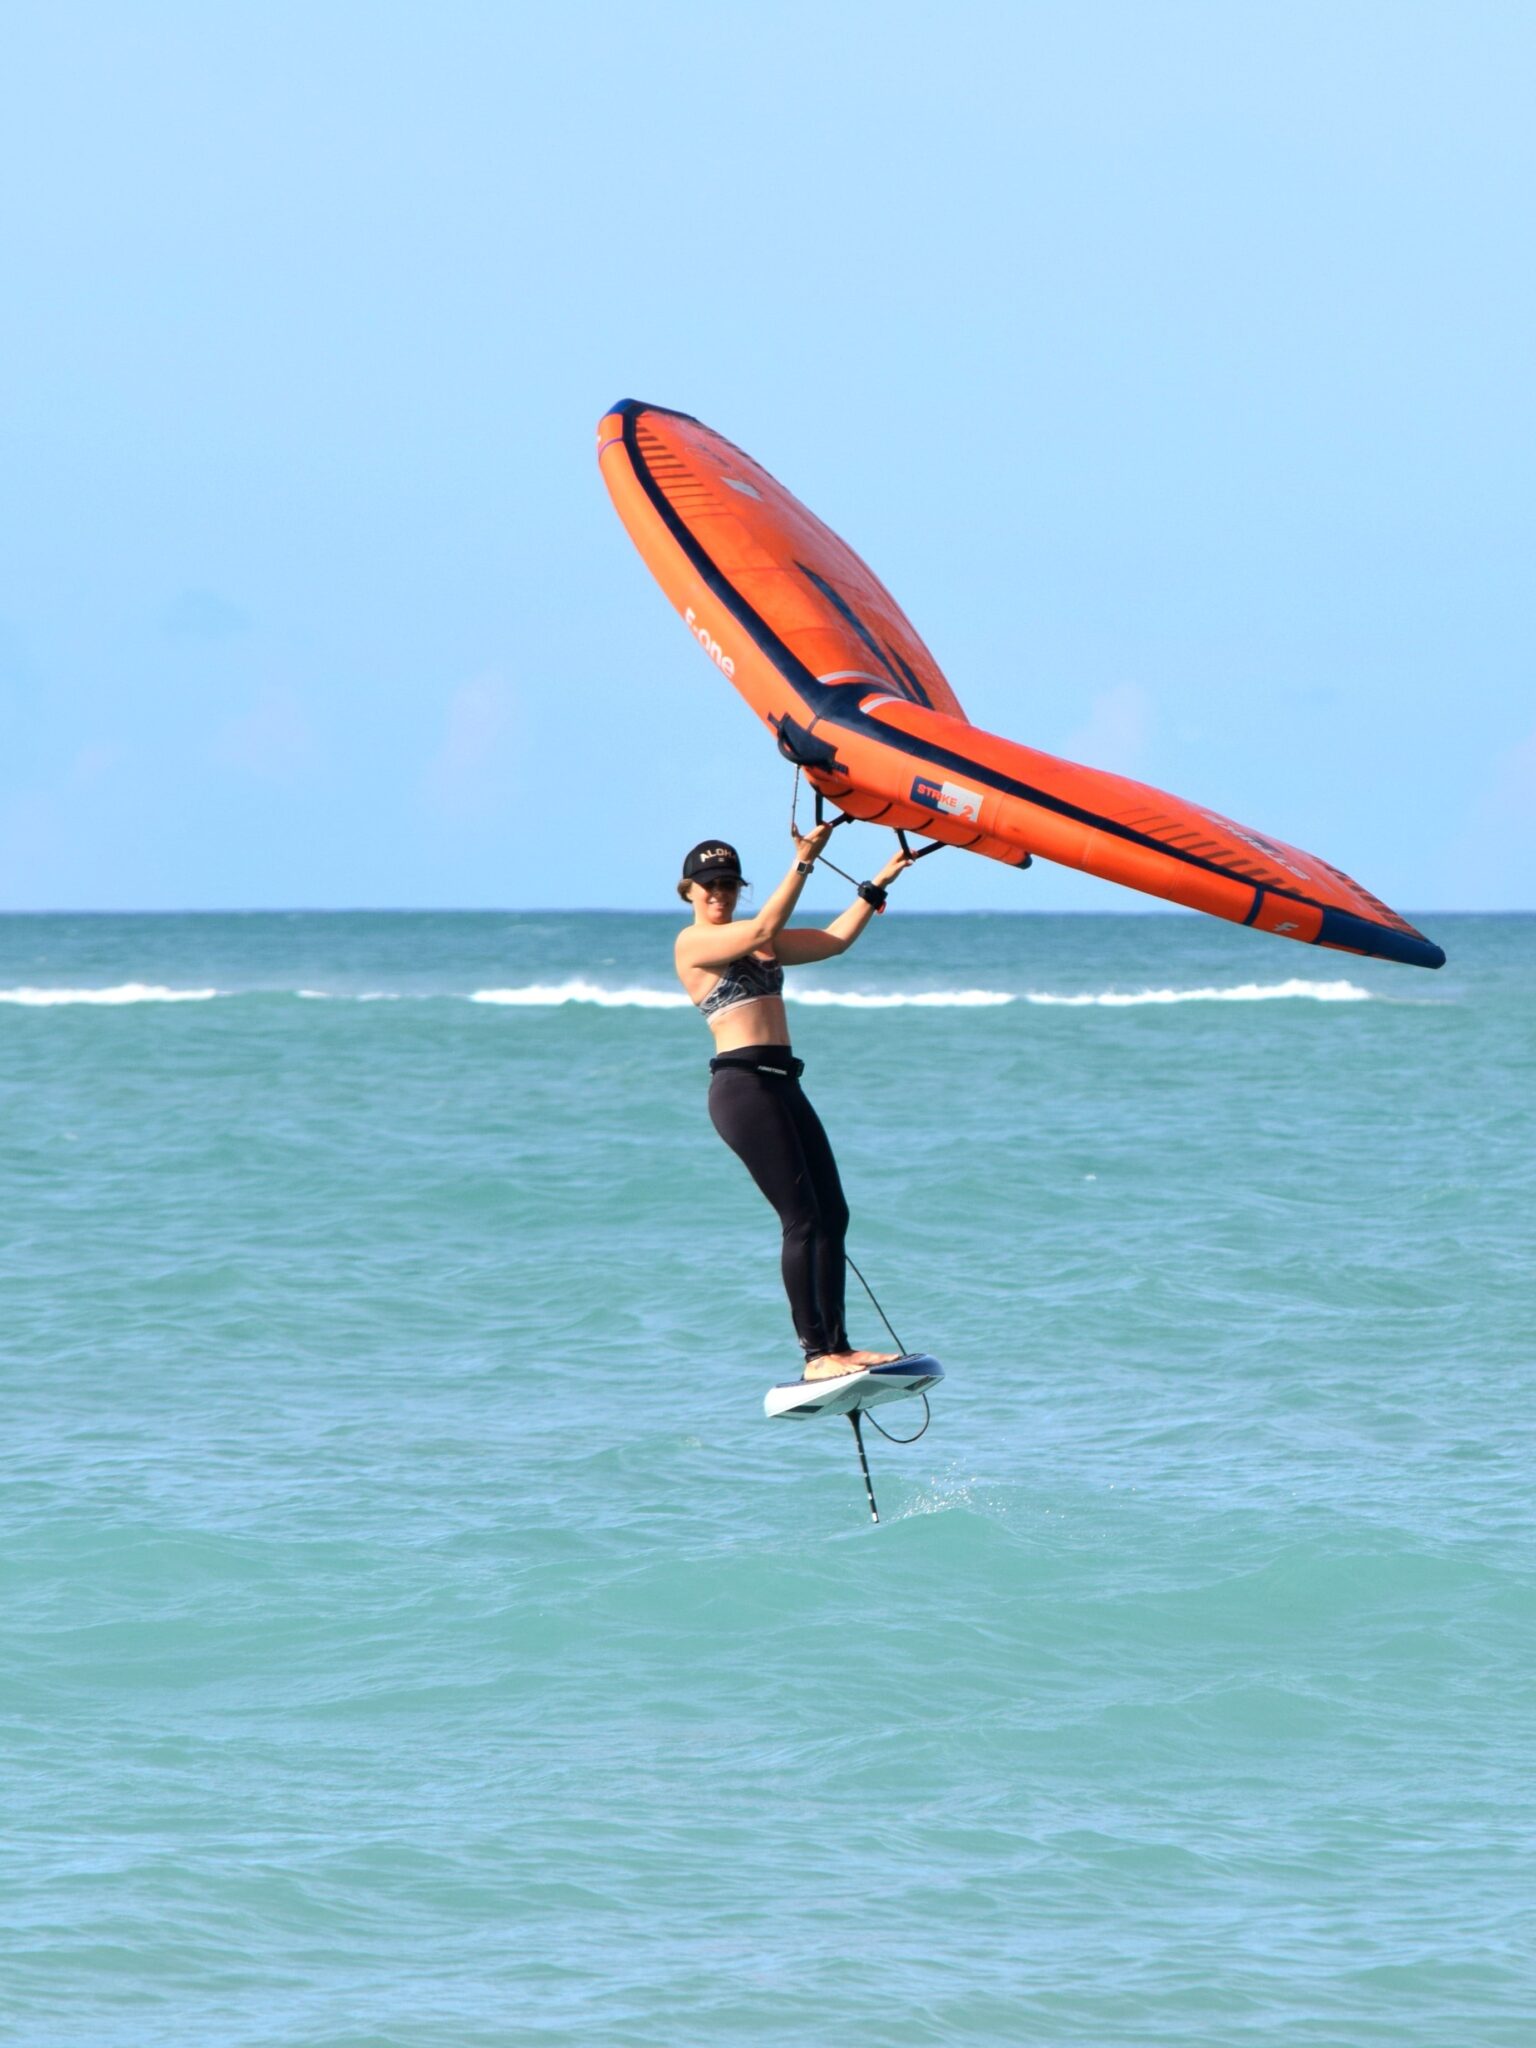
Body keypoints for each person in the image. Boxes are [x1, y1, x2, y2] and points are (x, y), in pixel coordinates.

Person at [674, 826, 913, 1380]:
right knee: (801, 1218)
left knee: (834, 1213)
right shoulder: (693, 944)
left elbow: (833, 941)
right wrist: (803, 862)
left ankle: (840, 1347)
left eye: (729, 884)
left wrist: (878, 881)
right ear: (687, 890)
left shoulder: (757, 939)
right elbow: (765, 923)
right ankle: (815, 1356)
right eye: (708, 885)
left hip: (784, 1083)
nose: (719, 894)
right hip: (743, 1088)